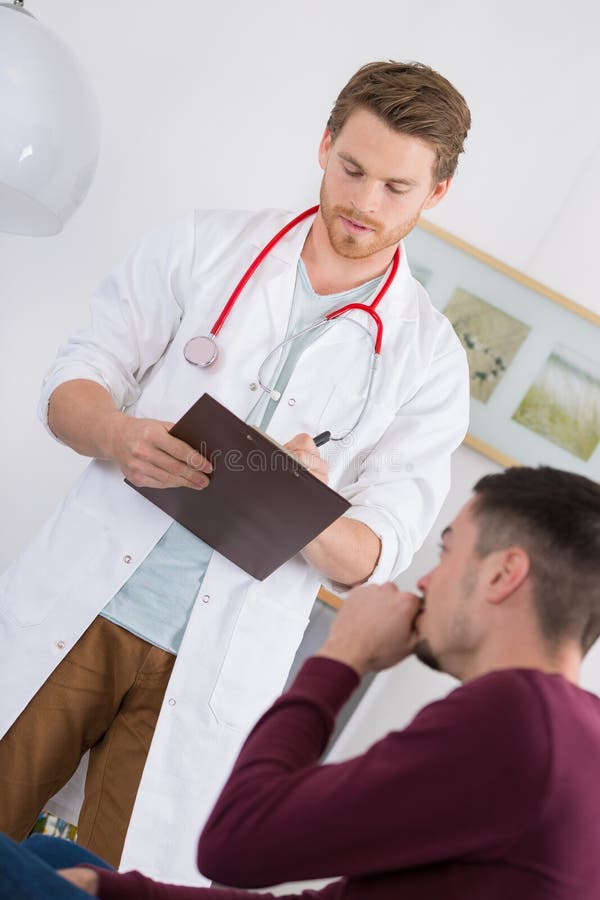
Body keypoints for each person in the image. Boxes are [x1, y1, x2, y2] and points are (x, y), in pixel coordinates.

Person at [0, 61, 472, 884]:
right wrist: (119, 432)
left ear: (436, 193)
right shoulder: (205, 246)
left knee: (110, 885)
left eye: (396, 187)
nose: (364, 203)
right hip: (80, 610)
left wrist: (308, 506)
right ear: (324, 145)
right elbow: (70, 383)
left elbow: (378, 552)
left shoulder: (429, 362)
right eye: (352, 169)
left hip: (209, 668)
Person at [2, 464, 599, 899]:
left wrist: (342, 658)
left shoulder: (512, 718)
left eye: (448, 556)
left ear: (503, 574)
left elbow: (234, 844)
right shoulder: (573, 730)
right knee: (54, 857)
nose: (426, 584)